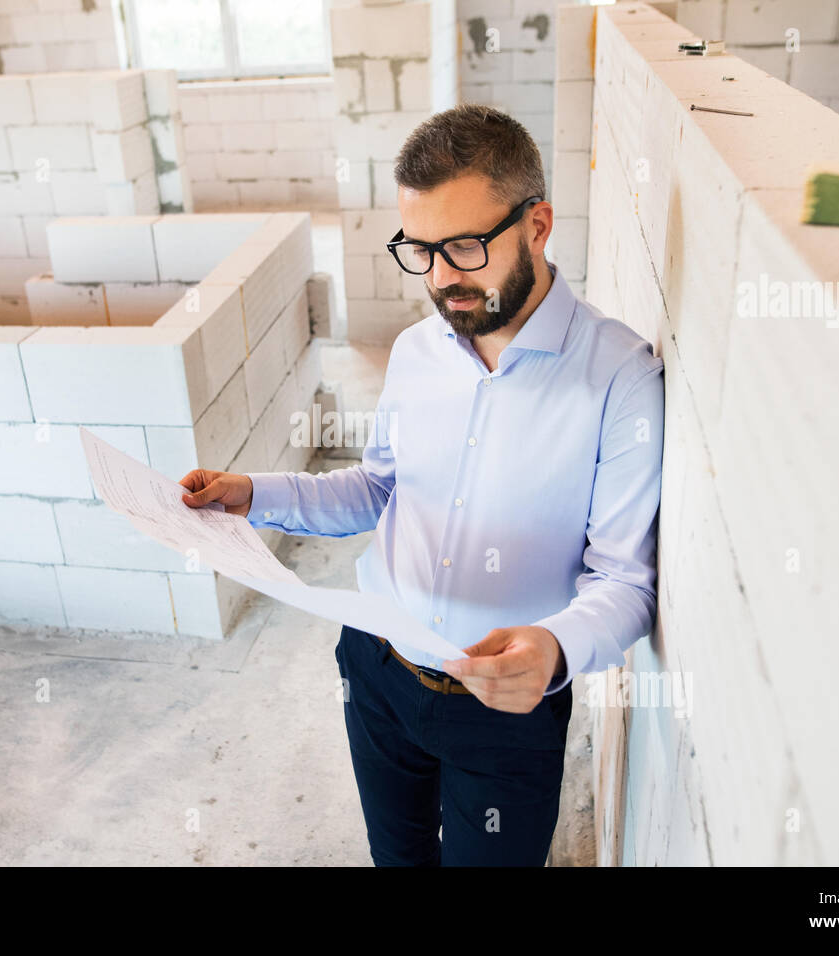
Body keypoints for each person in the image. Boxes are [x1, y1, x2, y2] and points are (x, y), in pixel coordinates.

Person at [179, 104, 665, 867]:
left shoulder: (620, 378)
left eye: (466, 247)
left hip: (505, 712)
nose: (441, 278)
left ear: (537, 225)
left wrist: (555, 647)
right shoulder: (416, 351)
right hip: (376, 669)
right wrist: (256, 493)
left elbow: (627, 581)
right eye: (422, 249)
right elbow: (378, 489)